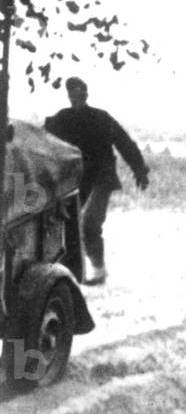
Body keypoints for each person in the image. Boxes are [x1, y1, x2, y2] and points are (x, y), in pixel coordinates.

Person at [44, 77, 149, 285]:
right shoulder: (62, 119)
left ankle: (99, 270)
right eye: (72, 94)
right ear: (69, 96)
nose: (77, 97)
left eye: (80, 92)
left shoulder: (102, 118)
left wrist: (139, 170)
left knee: (90, 223)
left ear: (86, 94)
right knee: (68, 222)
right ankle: (71, 268)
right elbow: (41, 137)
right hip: (76, 180)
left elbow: (124, 143)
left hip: (102, 177)